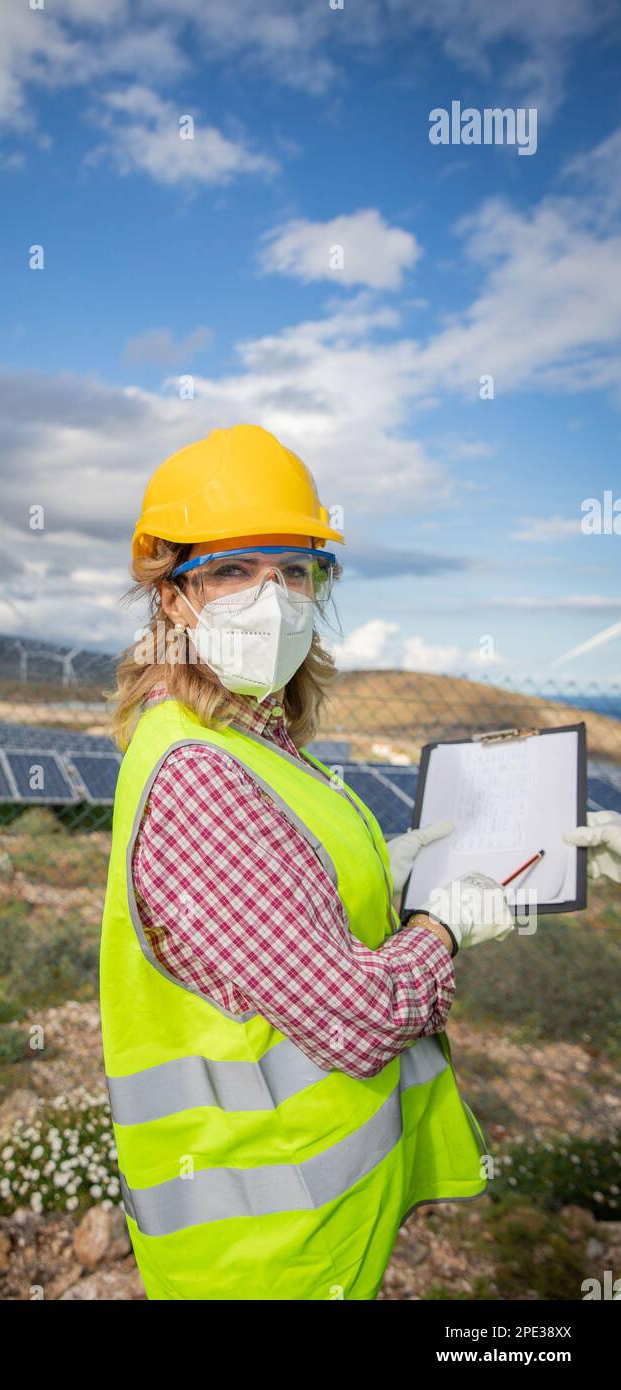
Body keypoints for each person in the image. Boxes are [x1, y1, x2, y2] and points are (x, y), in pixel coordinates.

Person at [99, 422, 621, 1301]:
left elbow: (288, 903)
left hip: (311, 1215)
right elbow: (365, 1015)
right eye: (233, 569)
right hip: (264, 1250)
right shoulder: (198, 771)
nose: (273, 598)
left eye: (293, 571)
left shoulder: (247, 738)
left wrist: (433, 864)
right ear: (173, 597)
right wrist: (445, 927)